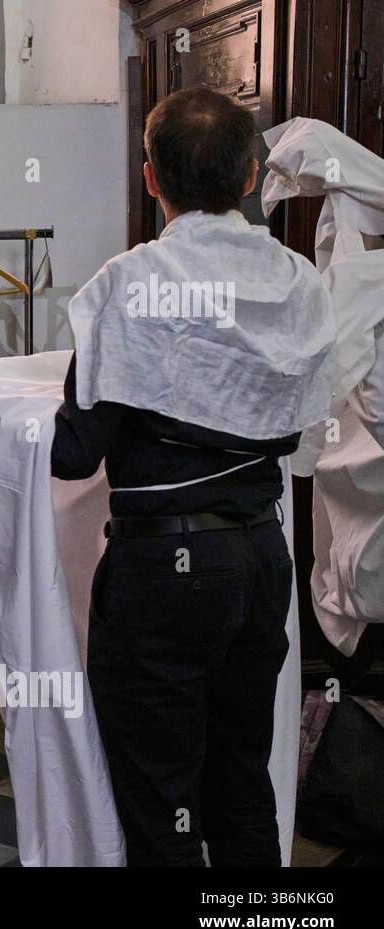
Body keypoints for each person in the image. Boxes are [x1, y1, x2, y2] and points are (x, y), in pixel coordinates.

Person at [52, 88, 335, 865]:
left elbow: (74, 455)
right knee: (243, 787)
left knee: (160, 804)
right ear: (250, 176)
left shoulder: (126, 285)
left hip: (162, 572)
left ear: (150, 177)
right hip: (258, 556)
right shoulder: (300, 283)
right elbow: (301, 425)